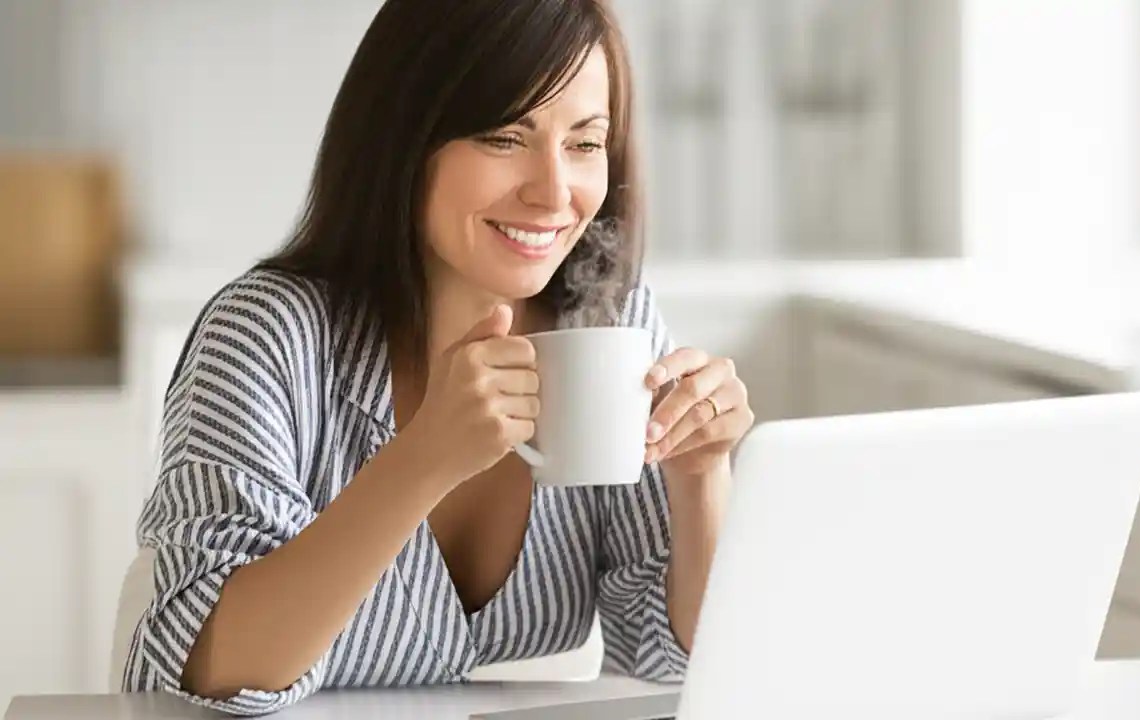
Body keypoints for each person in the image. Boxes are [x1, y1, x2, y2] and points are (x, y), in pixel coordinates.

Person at [120, 0, 755, 715]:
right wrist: (423, 458)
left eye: (583, 144)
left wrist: (701, 479)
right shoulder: (268, 333)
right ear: (403, 139)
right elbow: (208, 665)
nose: (553, 193)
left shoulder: (611, 323)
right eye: (503, 137)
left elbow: (674, 652)